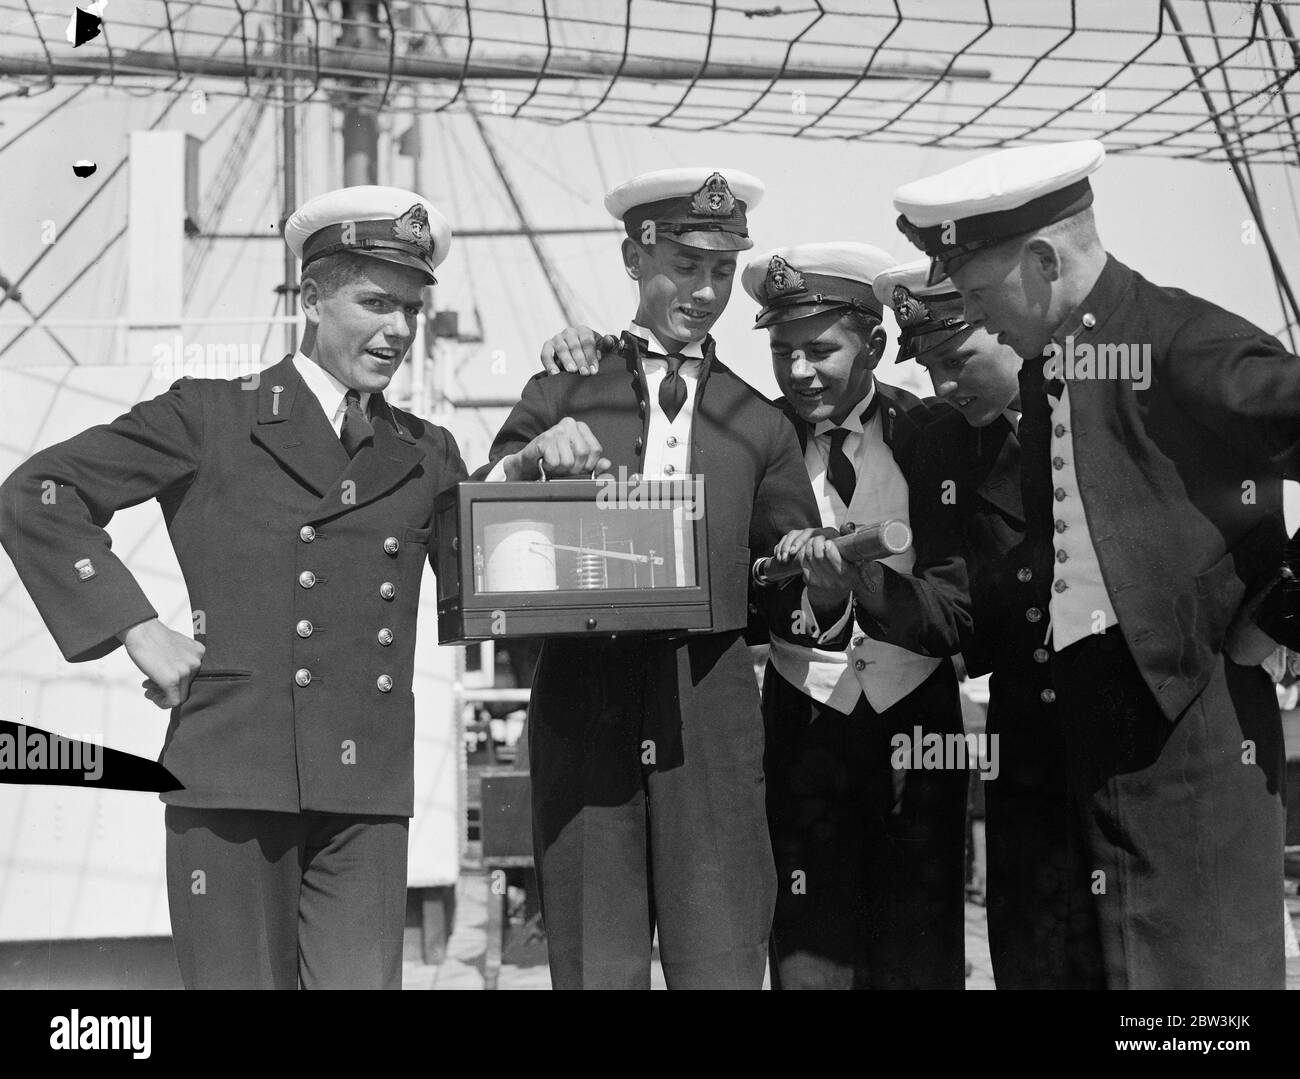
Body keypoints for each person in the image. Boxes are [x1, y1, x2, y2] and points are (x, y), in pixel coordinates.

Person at [0, 186, 468, 989]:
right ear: (312, 298)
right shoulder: (211, 413)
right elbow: (39, 493)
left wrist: (540, 456)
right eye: (375, 302)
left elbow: (491, 582)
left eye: (412, 309)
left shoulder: (427, 450)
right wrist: (137, 628)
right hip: (232, 773)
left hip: (365, 797)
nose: (397, 330)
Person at [893, 138, 1300, 989]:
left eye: (977, 294)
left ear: (1043, 259)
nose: (979, 318)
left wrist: (1283, 612)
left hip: (1197, 741)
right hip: (1083, 746)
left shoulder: (1180, 339)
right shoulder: (1054, 366)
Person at [540, 243, 971, 989]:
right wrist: (595, 350)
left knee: (920, 955)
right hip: (801, 723)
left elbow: (960, 599)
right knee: (804, 955)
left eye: (821, 351)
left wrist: (863, 588)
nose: (800, 372)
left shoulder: (930, 432)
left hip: (918, 724)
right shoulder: (749, 430)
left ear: (873, 345)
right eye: (782, 351)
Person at [482, 167, 824, 989]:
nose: (704, 291)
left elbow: (791, 585)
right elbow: (483, 515)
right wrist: (530, 462)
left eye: (719, 272)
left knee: (721, 957)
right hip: (582, 698)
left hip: (710, 708)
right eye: (683, 265)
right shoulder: (561, 386)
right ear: (634, 259)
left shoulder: (760, 421)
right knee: (596, 962)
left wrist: (820, 579)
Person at [872, 260, 1102, 988]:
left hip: (1133, 716)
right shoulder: (944, 442)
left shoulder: (1108, 397)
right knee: (1031, 950)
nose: (941, 386)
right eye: (930, 367)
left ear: (1004, 328)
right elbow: (831, 406)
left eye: (956, 360)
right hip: (1027, 730)